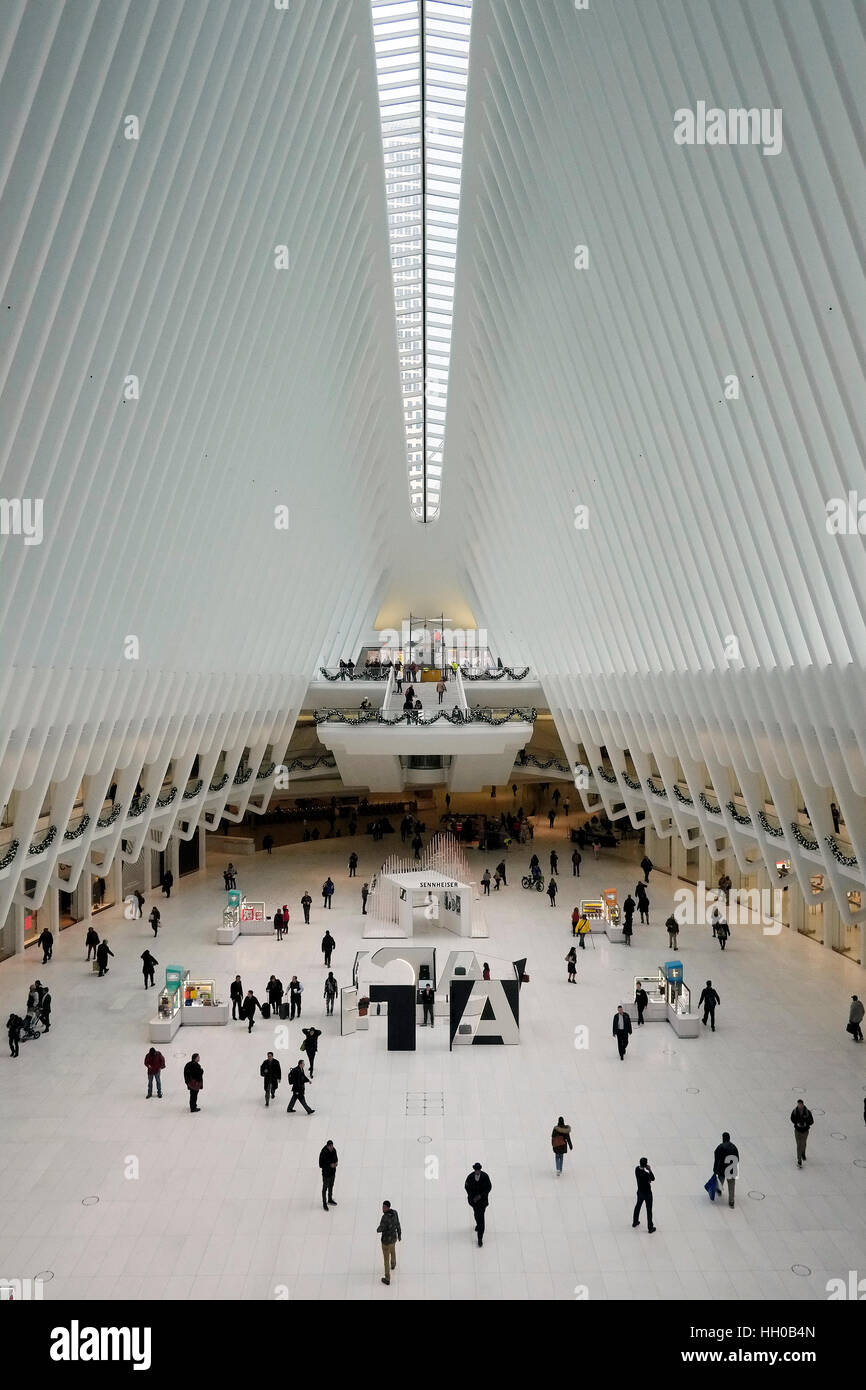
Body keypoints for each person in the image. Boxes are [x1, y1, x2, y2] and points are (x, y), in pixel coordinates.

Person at [464, 1163, 492, 1246]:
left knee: (481, 1219)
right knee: (476, 1215)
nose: (477, 1171)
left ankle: (480, 1238)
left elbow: (489, 1187)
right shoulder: (470, 1177)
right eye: (476, 1170)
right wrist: (472, 1197)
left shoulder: (485, 1177)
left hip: (482, 1202)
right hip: (474, 1202)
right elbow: (467, 1187)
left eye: (479, 1170)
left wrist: (481, 1196)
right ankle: (478, 1224)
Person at [377, 1200, 401, 1284]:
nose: (382, 1208)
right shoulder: (395, 1213)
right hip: (393, 1238)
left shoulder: (384, 1217)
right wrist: (399, 1234)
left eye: (384, 1207)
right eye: (382, 1207)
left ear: (388, 1207)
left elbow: (380, 1229)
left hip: (386, 1241)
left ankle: (387, 1278)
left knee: (386, 1259)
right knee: (393, 1251)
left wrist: (379, 1229)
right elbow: (398, 1224)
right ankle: (393, 1264)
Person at [713, 1132, 739, 1208]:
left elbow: (716, 1158)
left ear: (723, 1138)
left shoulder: (720, 1147)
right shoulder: (734, 1147)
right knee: (731, 1185)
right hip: (731, 1169)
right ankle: (731, 1201)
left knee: (721, 1178)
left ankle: (719, 1189)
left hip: (722, 1168)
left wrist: (715, 1169)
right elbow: (737, 1158)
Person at [632, 1157, 656, 1231]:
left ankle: (635, 1222)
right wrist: (649, 1170)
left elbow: (649, 1179)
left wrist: (648, 1180)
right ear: (646, 1164)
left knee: (638, 1206)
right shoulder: (646, 1174)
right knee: (649, 1210)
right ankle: (650, 1227)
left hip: (640, 1192)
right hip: (647, 1194)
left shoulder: (636, 1169)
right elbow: (653, 1178)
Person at [791, 1099, 814, 1167]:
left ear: (803, 1104)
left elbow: (811, 1122)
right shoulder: (795, 1111)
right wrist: (796, 1123)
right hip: (797, 1131)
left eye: (800, 1104)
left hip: (805, 1131)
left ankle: (803, 1153)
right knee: (798, 1145)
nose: (799, 1106)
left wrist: (805, 1123)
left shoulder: (807, 1112)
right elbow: (792, 1118)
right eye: (798, 1104)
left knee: (803, 1143)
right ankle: (799, 1160)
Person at [319, 1141, 338, 1210]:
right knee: (325, 1189)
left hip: (332, 1173)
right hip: (326, 1175)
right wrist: (330, 1165)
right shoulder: (323, 1153)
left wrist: (336, 1163)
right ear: (327, 1146)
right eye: (330, 1146)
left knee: (331, 1186)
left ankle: (330, 1199)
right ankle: (324, 1203)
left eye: (332, 1146)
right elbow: (320, 1165)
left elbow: (336, 1158)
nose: (331, 1147)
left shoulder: (334, 1150)